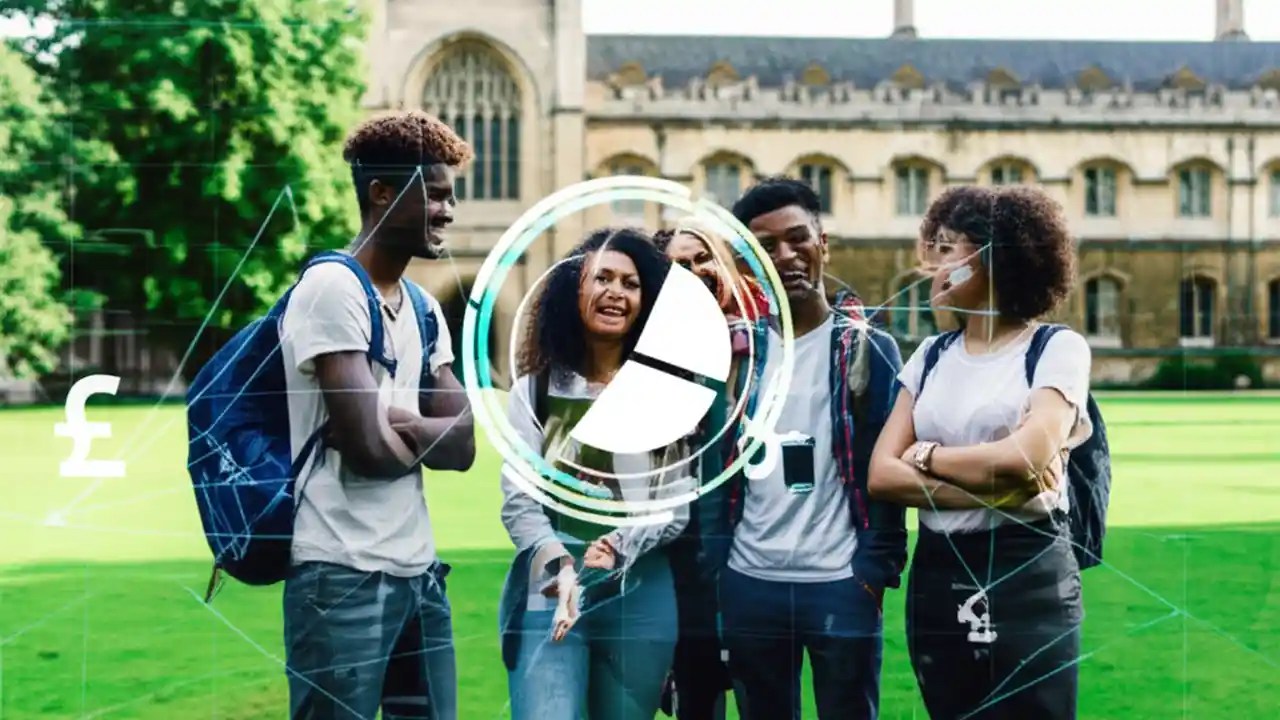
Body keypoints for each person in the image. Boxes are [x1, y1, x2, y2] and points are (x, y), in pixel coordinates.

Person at [279, 110, 476, 720]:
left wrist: (398, 419)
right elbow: (366, 453)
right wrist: (419, 431)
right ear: (381, 195)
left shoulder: (421, 307)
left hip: (420, 573)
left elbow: (466, 445)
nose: (448, 212)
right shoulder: (332, 288)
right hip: (340, 575)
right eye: (435, 195)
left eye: (451, 197)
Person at [869, 184, 1090, 719]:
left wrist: (924, 456)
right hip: (939, 571)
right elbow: (879, 475)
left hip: (1027, 569)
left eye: (948, 249)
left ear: (990, 258)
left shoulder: (1055, 349)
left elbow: (1025, 459)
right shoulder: (930, 355)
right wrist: (997, 484)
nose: (933, 265)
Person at [717, 177, 906, 720]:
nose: (786, 255)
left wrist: (875, 570)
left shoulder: (871, 349)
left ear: (823, 244)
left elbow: (881, 465)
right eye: (766, 247)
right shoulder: (736, 355)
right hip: (751, 580)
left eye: (798, 239)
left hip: (841, 583)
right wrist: (721, 572)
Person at [498, 227, 695, 719]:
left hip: (641, 592)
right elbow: (519, 499)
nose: (616, 292)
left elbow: (675, 502)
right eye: (601, 278)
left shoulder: (664, 394)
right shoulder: (534, 390)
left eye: (630, 283)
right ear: (574, 290)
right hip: (552, 585)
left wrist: (619, 545)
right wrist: (561, 563)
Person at [652, 221, 763, 720]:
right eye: (680, 264)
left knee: (763, 690)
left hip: (752, 544)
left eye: (703, 258)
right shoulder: (650, 356)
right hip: (678, 550)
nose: (696, 271)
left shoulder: (764, 349)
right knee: (697, 694)